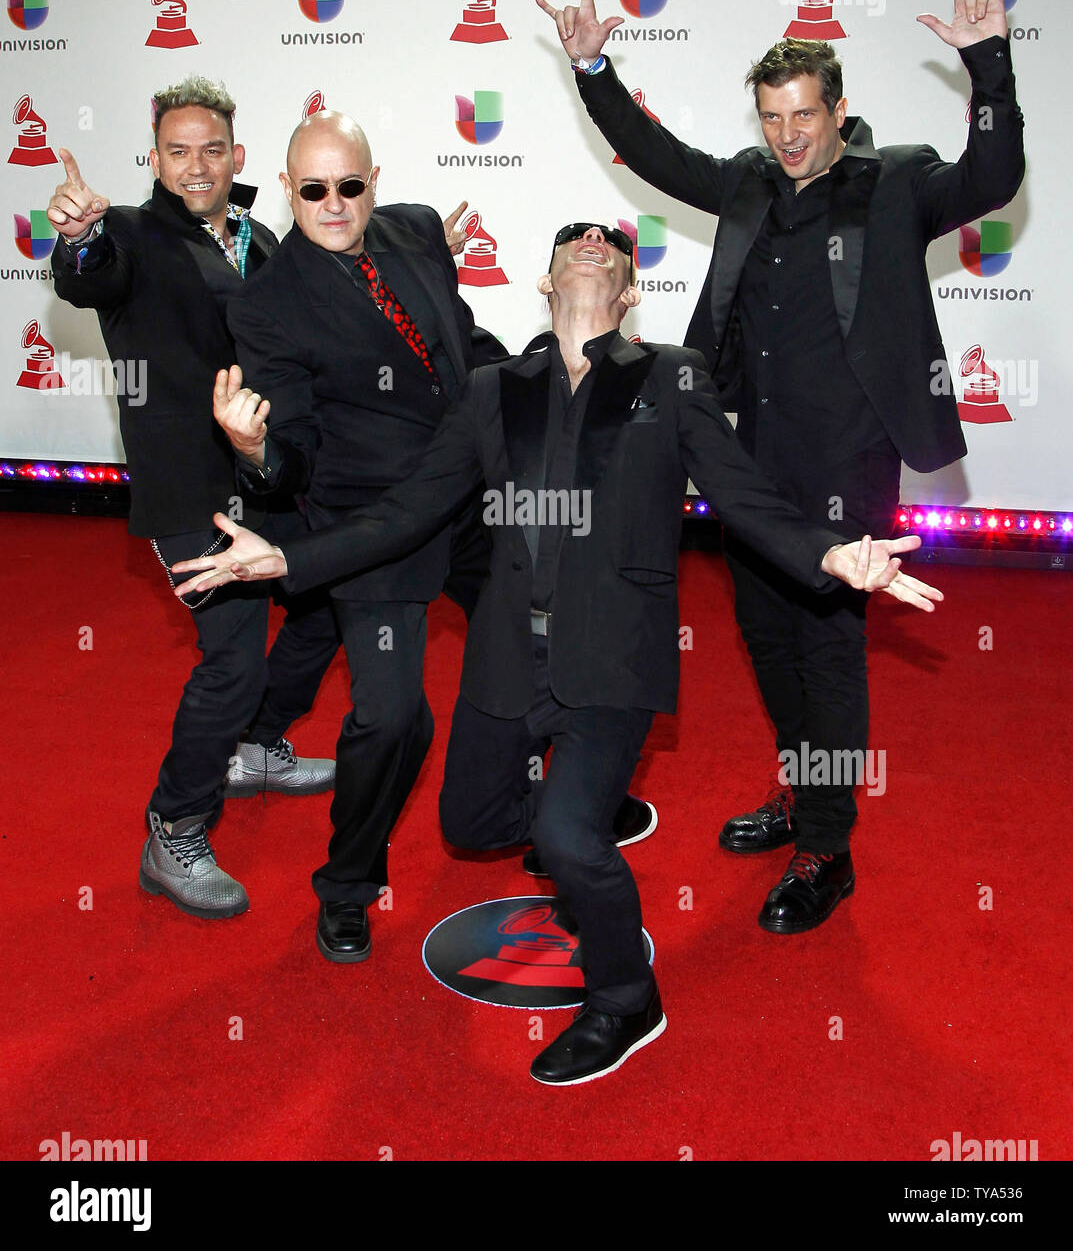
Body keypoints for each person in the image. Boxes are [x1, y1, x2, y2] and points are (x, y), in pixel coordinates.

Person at [172, 221, 942, 1084]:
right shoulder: (493, 389)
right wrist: (285, 559)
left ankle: (624, 997)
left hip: (612, 656)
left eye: (607, 242)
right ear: (542, 283)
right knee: (467, 826)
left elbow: (743, 495)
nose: (588, 239)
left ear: (628, 293)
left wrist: (831, 554)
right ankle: (568, 807)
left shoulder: (670, 377)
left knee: (570, 837)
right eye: (569, 237)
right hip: (505, 656)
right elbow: (408, 511)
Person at [535, 0, 1024, 933]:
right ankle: (804, 792)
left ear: (836, 109)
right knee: (766, 643)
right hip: (749, 457)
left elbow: (992, 174)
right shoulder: (749, 183)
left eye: (802, 115)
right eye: (770, 116)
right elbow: (657, 155)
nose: (786, 135)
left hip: (847, 463)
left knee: (828, 648)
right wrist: (594, 73)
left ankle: (827, 847)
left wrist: (987, 68)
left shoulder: (896, 182)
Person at [217, 109, 508, 964]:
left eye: (350, 185)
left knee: (544, 636)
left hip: (469, 497)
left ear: (375, 181)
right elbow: (294, 449)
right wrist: (255, 448)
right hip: (371, 521)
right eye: (312, 189)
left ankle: (531, 808)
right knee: (391, 719)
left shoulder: (415, 232)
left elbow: (455, 344)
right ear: (286, 190)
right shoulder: (266, 306)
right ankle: (346, 885)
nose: (333, 204)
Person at [48, 77, 340, 921]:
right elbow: (87, 278)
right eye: (178, 151)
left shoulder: (261, 237)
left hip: (269, 471)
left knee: (323, 608)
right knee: (232, 656)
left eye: (212, 149)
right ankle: (174, 826)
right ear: (155, 160)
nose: (197, 165)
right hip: (190, 491)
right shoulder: (133, 235)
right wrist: (77, 240)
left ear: (237, 155)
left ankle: (253, 750)